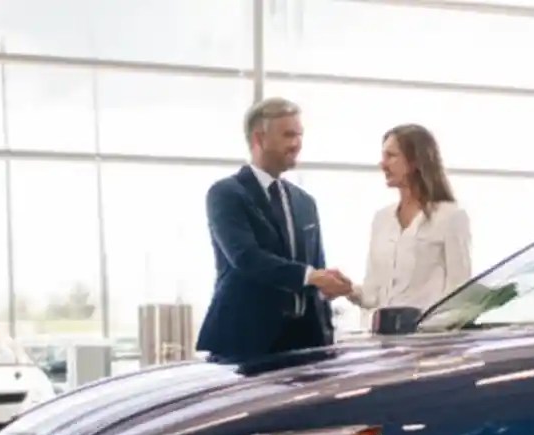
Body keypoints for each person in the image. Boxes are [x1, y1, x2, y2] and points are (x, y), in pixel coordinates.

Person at [197, 98, 353, 361]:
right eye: (288, 135)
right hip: (245, 343)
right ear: (259, 138)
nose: (297, 143)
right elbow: (245, 257)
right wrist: (312, 276)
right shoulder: (226, 194)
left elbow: (316, 267)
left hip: (306, 342)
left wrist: (330, 285)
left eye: (299, 134)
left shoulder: (305, 202)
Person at [347, 124, 472, 326]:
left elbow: (459, 292)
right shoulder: (382, 219)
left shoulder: (450, 217)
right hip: (382, 340)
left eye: (391, 156)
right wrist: (348, 289)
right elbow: (372, 295)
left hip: (427, 344)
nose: (383, 164)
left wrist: (432, 330)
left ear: (415, 161)